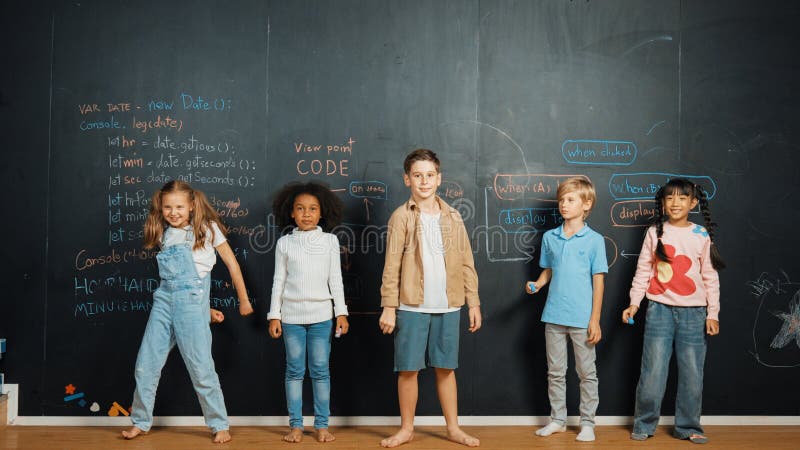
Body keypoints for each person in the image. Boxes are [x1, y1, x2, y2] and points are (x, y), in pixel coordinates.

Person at [122, 180, 253, 444]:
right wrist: (207, 308)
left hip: (191, 305)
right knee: (145, 365)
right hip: (163, 301)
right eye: (168, 207)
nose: (174, 212)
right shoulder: (163, 234)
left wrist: (243, 300)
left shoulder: (207, 229)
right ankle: (140, 421)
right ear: (161, 207)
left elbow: (231, 264)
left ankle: (219, 425)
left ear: (192, 206)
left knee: (201, 368)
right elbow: (174, 282)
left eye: (179, 206)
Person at [378, 148, 482, 448]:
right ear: (407, 179)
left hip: (449, 304)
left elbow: (466, 260)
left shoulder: (453, 216)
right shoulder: (401, 217)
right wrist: (389, 307)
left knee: (446, 368)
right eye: (417, 175)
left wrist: (472, 301)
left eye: (430, 175)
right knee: (408, 369)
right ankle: (406, 429)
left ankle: (453, 428)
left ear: (439, 178)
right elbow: (392, 264)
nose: (424, 181)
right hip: (411, 305)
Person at [621, 178, 724, 444]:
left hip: (695, 313)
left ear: (693, 203)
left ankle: (689, 426)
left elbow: (710, 276)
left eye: (682, 198)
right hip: (659, 310)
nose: (675, 203)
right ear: (663, 203)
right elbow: (643, 271)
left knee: (691, 372)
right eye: (670, 198)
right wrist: (634, 302)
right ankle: (644, 423)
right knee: (653, 370)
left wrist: (713, 313)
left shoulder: (701, 234)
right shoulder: (655, 232)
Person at [525, 176, 607, 442]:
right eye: (561, 200)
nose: (563, 204)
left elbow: (599, 281)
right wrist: (537, 284)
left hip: (582, 318)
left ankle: (587, 423)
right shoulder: (550, 237)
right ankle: (558, 420)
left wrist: (595, 320)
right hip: (554, 315)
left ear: (587, 204)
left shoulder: (594, 240)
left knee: (586, 373)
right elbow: (549, 269)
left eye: (570, 200)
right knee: (556, 373)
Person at [268, 181, 350, 443]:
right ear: (291, 212)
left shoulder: (330, 241)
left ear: (321, 212)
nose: (306, 213)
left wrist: (341, 313)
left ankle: (322, 426)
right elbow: (278, 281)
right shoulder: (285, 244)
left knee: (320, 369)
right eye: (300, 208)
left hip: (322, 318)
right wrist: (274, 315)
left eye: (312, 208)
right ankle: (296, 426)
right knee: (294, 370)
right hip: (291, 317)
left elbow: (335, 279)